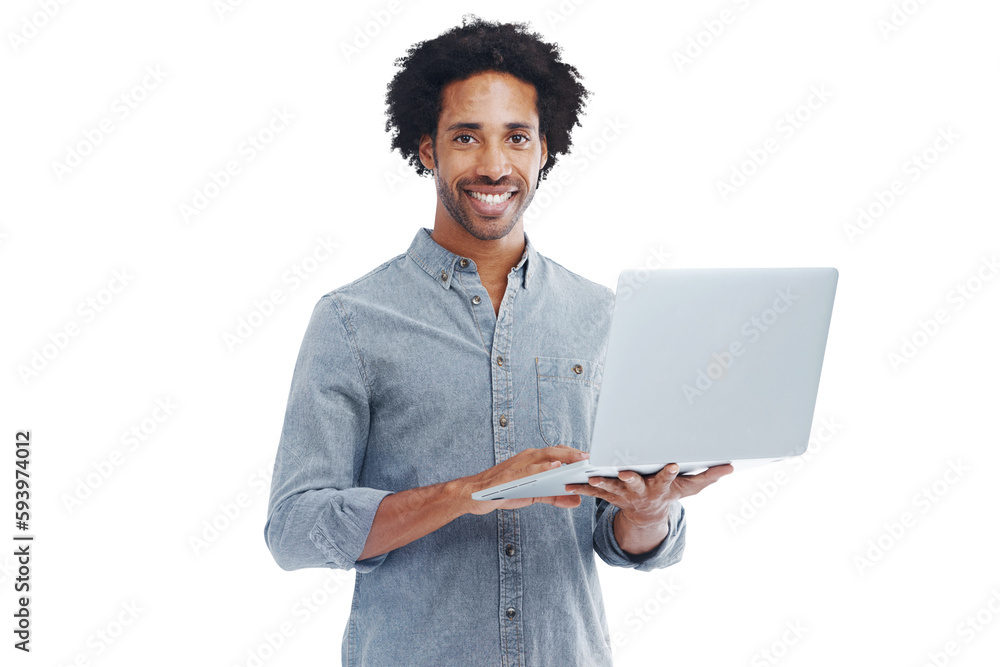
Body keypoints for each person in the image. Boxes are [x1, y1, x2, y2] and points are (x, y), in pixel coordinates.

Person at [264, 16, 732, 666]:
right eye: (466, 137)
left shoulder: (604, 315)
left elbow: (619, 537)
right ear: (427, 147)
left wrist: (649, 509)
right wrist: (474, 490)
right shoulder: (352, 319)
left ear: (545, 150)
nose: (493, 165)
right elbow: (294, 528)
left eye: (516, 137)